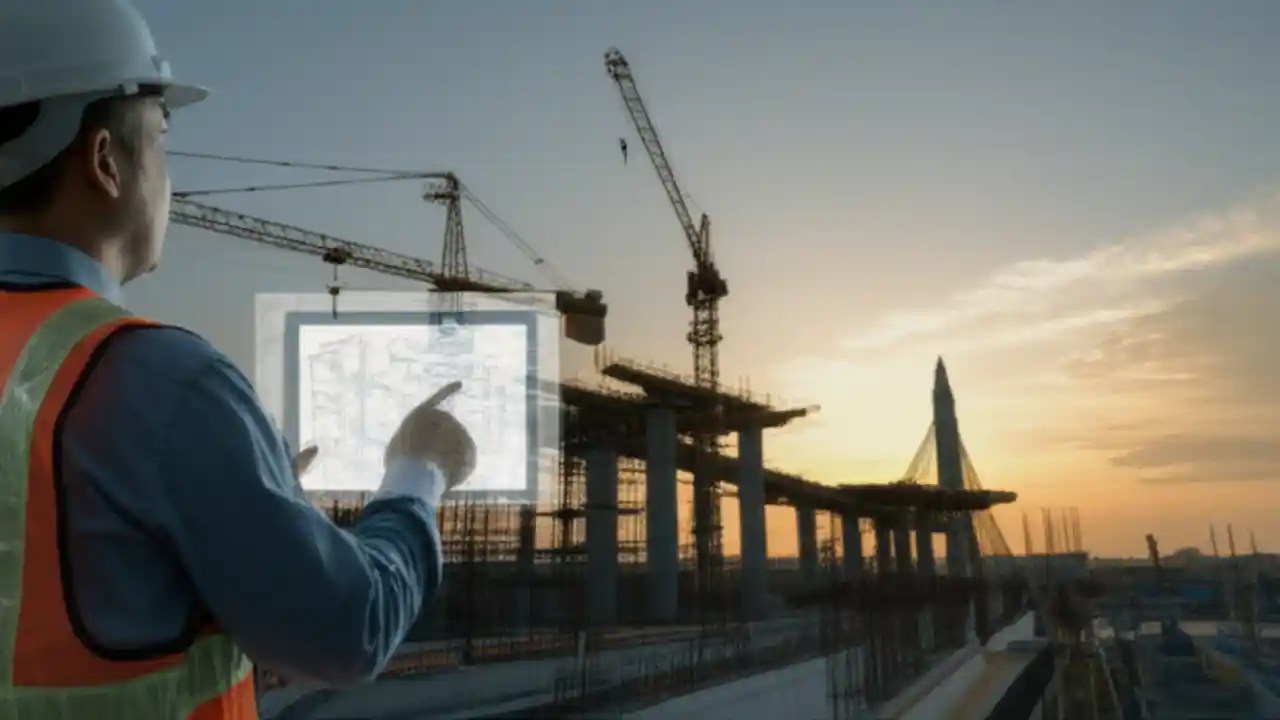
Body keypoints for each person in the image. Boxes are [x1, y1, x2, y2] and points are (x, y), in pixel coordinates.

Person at [0, 1, 475, 718]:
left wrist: (240, 509)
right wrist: (419, 472)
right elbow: (346, 631)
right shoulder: (158, 381)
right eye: (161, 139)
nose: (171, 179)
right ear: (104, 161)